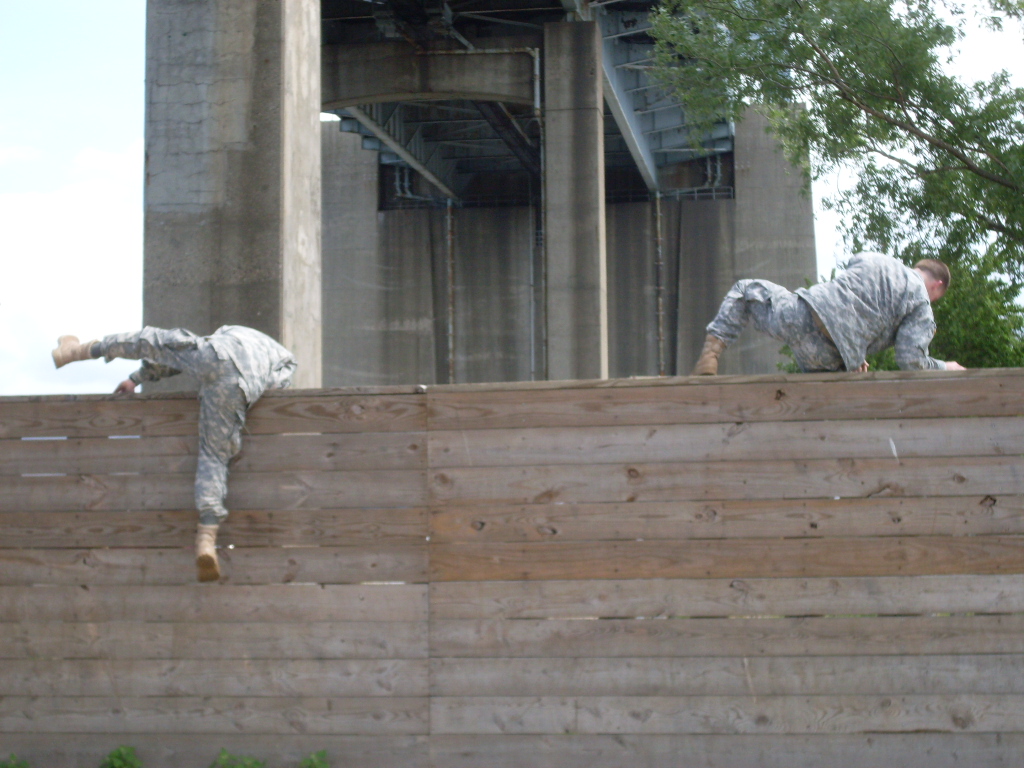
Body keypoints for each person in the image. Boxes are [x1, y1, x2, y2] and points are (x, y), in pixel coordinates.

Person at [52, 326, 297, 582]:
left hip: (219, 356)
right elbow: (275, 388)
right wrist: (136, 379)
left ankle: (77, 351)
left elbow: (179, 354)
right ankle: (206, 538)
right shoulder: (283, 360)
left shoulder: (231, 334)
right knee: (214, 457)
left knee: (150, 340)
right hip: (240, 386)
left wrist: (136, 378)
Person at [692, 252, 966, 375]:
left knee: (745, 291)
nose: (932, 301)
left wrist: (854, 349)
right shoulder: (921, 305)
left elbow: (851, 282)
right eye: (935, 297)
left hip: (801, 316)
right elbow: (910, 361)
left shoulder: (875, 258)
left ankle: (709, 356)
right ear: (937, 285)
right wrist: (945, 367)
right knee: (825, 386)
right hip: (829, 356)